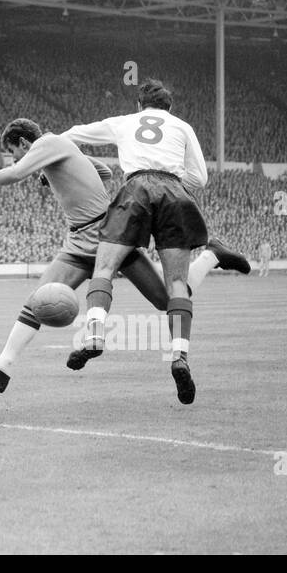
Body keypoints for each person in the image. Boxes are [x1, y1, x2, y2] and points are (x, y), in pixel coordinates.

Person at [0, 116, 248, 399]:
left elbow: (16, 173)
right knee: (37, 300)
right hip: (81, 238)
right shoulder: (60, 150)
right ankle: (2, 370)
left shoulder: (49, 143)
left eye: (13, 153)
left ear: (23, 142)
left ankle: (212, 254)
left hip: (107, 234)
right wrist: (59, 177)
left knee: (165, 299)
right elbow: (104, 173)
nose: (14, 159)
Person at [57, 78, 209, 404]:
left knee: (105, 266)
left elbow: (74, 133)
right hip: (175, 193)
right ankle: (180, 355)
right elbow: (201, 178)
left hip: (136, 189)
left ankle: (95, 335)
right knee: (178, 283)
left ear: (140, 106)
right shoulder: (182, 127)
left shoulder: (123, 122)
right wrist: (170, 176)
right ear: (170, 107)